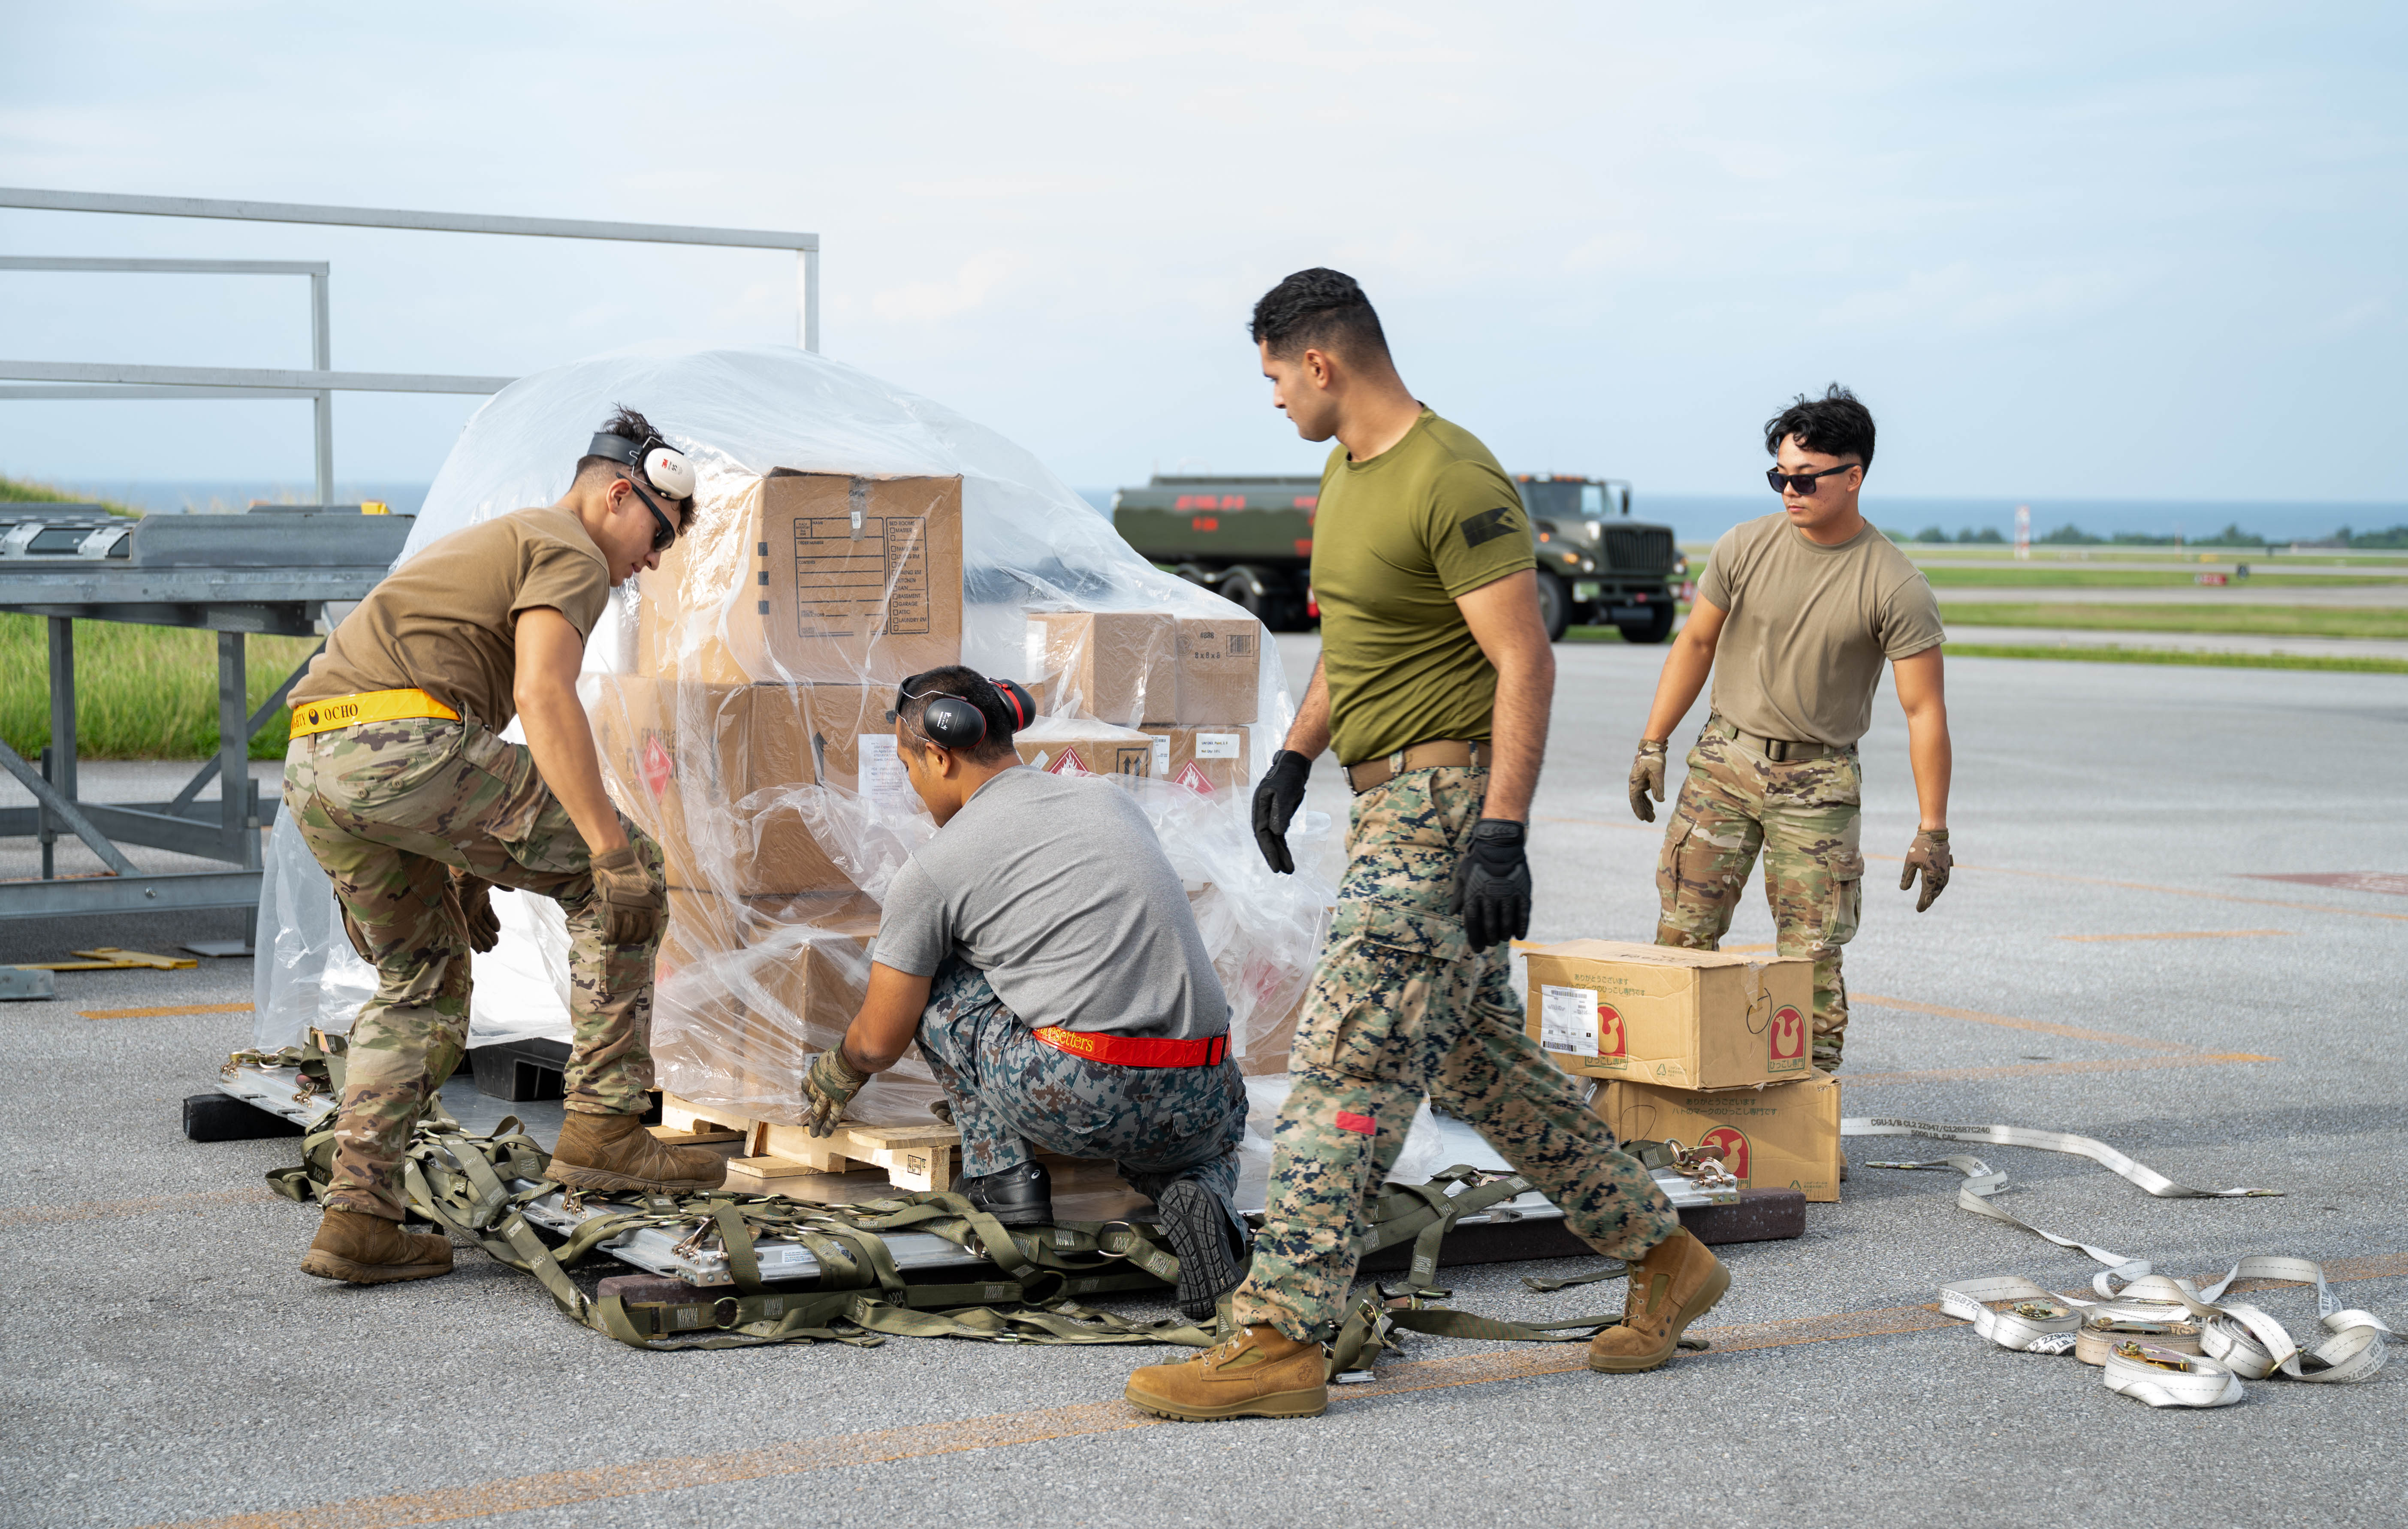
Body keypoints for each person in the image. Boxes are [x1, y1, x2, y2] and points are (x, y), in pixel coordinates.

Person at [1125, 269, 1728, 1423]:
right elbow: (1356, 642)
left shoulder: (1450, 476)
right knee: (1473, 1062)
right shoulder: (1347, 472)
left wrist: (1500, 830)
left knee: (1345, 1056)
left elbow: (1523, 657)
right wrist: (1294, 757)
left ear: (1320, 363)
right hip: (1381, 798)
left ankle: (1279, 1331)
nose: (1269, 402)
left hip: (1443, 807)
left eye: (1269, 377)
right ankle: (1664, 1257)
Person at [283, 407, 728, 1285]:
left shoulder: (499, 540)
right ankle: (605, 1126)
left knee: (421, 980)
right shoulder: (566, 547)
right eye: (658, 532)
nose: (654, 559)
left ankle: (360, 1216)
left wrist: (462, 858)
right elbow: (544, 692)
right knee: (623, 879)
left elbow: (442, 692)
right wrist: (605, 844)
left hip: (316, 762)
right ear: (615, 492)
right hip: (405, 752)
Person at [798, 667, 1253, 1321]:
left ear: (938, 754)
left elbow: (879, 1037)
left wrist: (838, 1069)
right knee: (1192, 1142)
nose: (912, 786)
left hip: (1082, 1090)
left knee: (932, 983)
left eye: (908, 767)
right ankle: (1198, 1192)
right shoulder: (1109, 802)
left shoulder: (936, 865)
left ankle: (1002, 1182)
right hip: (1206, 1086)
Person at [1628, 385, 1952, 1072]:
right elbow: (1694, 645)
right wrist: (1652, 742)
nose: (1788, 491)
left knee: (1809, 959)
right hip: (1723, 761)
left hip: (1818, 781)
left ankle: (1806, 1120)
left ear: (1852, 476)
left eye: (1804, 479)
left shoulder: (1894, 585)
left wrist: (1932, 829)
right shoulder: (1742, 547)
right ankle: (1664, 1098)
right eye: (1778, 476)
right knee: (1681, 936)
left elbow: (1923, 710)